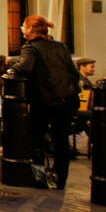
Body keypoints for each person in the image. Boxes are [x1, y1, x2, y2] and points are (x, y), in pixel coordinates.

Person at [12, 16, 80, 188]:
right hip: (65, 100)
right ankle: (60, 178)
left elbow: (24, 67)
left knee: (35, 137)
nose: (21, 29)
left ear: (31, 30)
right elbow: (73, 71)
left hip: (43, 100)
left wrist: (10, 65)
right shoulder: (60, 46)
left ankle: (38, 174)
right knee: (61, 140)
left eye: (24, 26)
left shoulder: (31, 47)